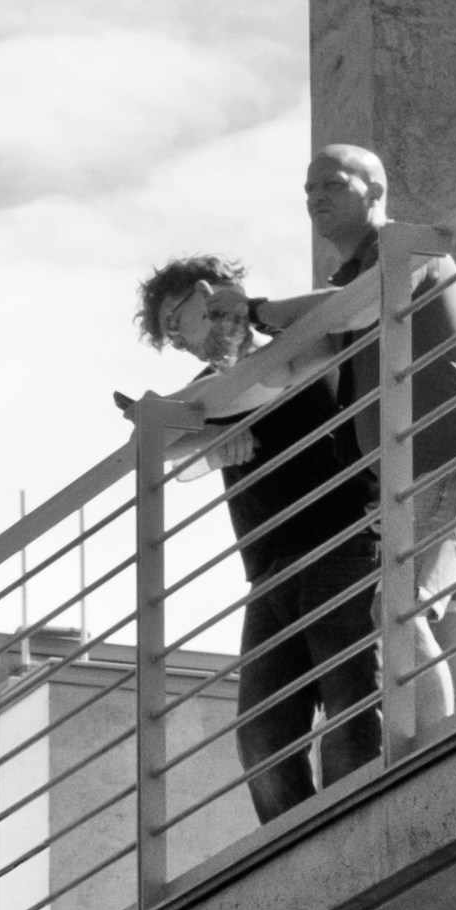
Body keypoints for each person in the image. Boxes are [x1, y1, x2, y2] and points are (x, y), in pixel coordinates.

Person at [125, 251, 380, 822]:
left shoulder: (292, 342)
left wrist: (211, 432)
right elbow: (157, 446)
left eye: (177, 322)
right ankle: (304, 854)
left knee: (352, 709)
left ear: (206, 293)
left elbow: (288, 372)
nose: (180, 342)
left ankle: (361, 837)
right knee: (262, 737)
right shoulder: (209, 392)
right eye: (170, 337)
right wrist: (212, 444)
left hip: (341, 542)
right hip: (268, 570)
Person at [300, 140, 456, 733]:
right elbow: (298, 360)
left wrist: (260, 308)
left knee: (398, 609)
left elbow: (355, 310)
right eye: (309, 188)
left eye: (332, 183)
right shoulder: (351, 283)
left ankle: (435, 764)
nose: (315, 197)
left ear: (375, 191)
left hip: (448, 464)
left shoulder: (406, 247)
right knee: (451, 628)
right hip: (417, 478)